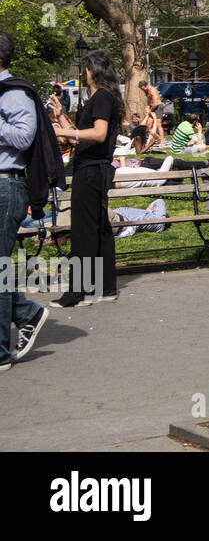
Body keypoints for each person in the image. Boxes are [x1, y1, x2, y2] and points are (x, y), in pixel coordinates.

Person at [49, 50, 123, 306]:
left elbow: (99, 134)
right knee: (99, 227)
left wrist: (66, 131)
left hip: (91, 169)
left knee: (83, 230)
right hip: (95, 168)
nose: (82, 73)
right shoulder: (102, 97)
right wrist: (60, 116)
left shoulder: (102, 97)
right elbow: (80, 133)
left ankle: (78, 292)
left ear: (94, 71)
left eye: (85, 69)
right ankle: (105, 287)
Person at [0, 32, 52, 368]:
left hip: (6, 187)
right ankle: (27, 312)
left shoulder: (14, 92)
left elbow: (23, 135)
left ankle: (2, 351)